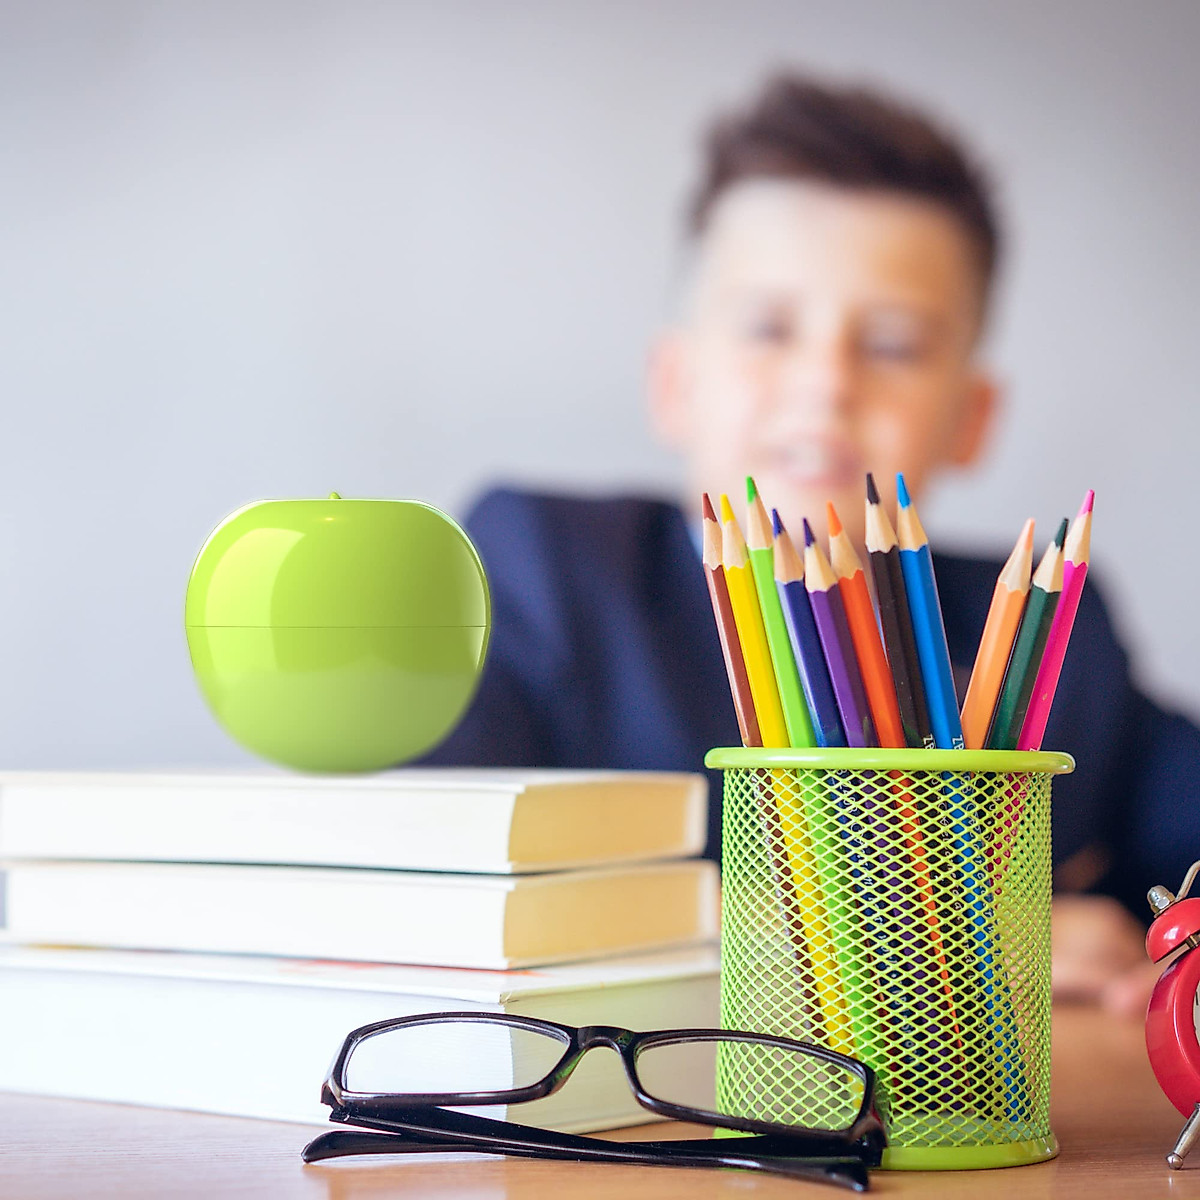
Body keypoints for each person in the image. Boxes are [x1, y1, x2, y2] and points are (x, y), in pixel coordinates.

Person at [424, 73, 1200, 1015]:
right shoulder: (540, 566)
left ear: (973, 418)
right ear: (675, 383)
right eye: (768, 328)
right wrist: (944, 936)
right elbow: (434, 870)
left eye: (895, 345)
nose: (826, 383)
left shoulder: (1053, 635)